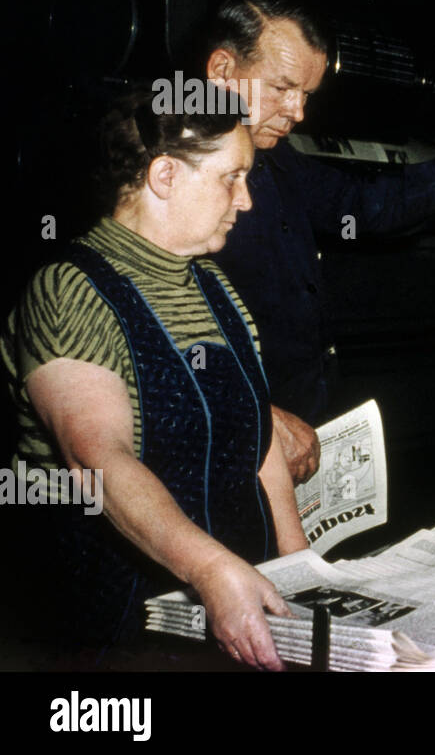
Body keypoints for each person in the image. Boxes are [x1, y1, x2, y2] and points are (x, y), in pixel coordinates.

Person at [1, 88, 308, 670]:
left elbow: (258, 444)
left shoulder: (216, 286)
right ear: (164, 175)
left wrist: (299, 574)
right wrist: (212, 569)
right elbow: (100, 462)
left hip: (239, 603)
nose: (245, 201)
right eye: (231, 177)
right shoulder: (68, 291)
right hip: (121, 629)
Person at [202, 0, 435, 483]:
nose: (298, 112)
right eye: (283, 88)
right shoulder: (166, 173)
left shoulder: (275, 158)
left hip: (295, 428)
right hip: (234, 440)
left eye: (306, 94)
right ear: (222, 71)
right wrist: (258, 414)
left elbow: (363, 204)